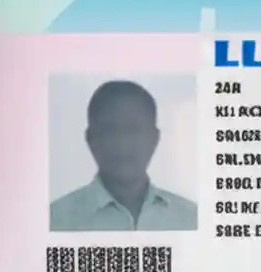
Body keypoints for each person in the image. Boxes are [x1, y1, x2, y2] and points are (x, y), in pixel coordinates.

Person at [50, 80, 197, 231]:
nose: (122, 144)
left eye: (134, 130)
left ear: (155, 139)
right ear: (90, 139)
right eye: (109, 131)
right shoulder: (56, 219)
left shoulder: (191, 218)